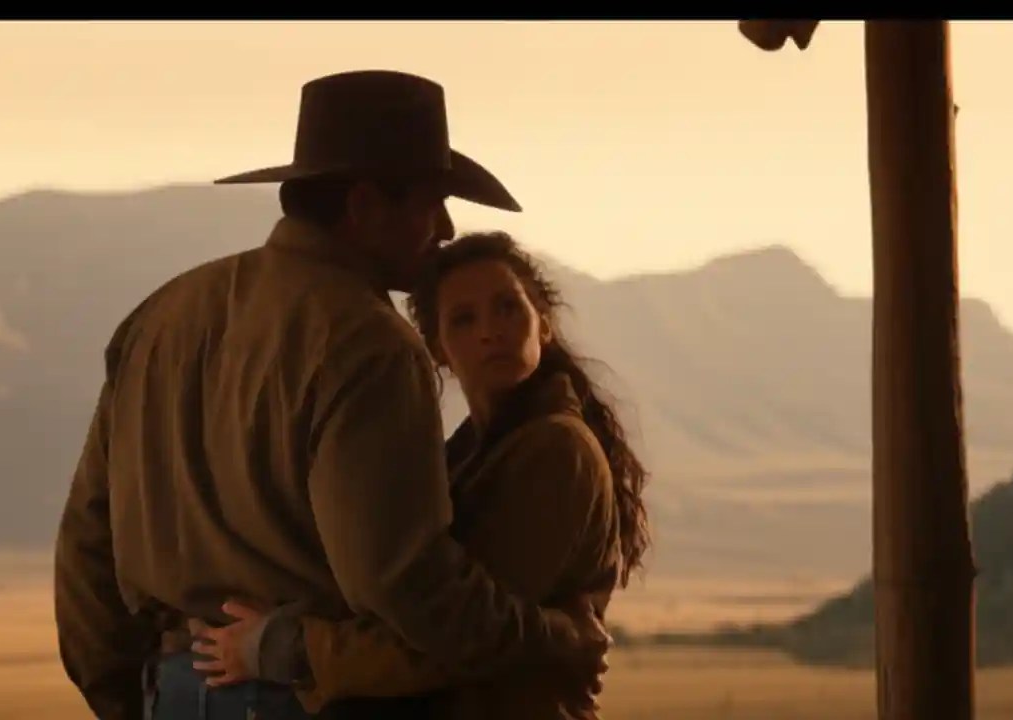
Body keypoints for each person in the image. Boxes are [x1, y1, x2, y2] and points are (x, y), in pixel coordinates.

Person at [52, 69, 610, 720]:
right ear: (365, 207)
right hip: (305, 697)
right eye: (431, 201)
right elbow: (401, 582)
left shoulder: (161, 317)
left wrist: (129, 699)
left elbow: (88, 546)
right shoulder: (368, 343)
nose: (447, 228)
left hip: (172, 689)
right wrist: (553, 638)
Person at [193, 231, 652, 719]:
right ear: (437, 349)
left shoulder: (555, 449)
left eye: (508, 308)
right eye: (463, 319)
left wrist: (288, 648)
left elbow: (459, 636)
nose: (490, 331)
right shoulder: (469, 453)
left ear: (543, 324)